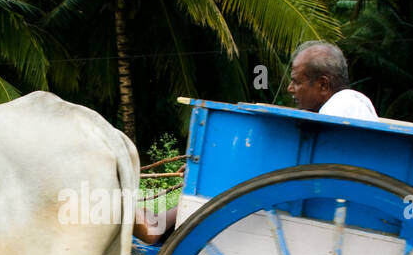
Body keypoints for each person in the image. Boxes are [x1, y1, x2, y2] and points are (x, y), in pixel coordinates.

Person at [133, 41, 376, 244]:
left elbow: (313, 167)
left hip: (320, 208)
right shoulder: (348, 105)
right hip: (319, 201)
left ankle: (157, 227)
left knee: (235, 178)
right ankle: (161, 222)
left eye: (297, 81)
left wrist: (214, 169)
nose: (291, 88)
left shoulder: (344, 106)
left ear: (322, 85)